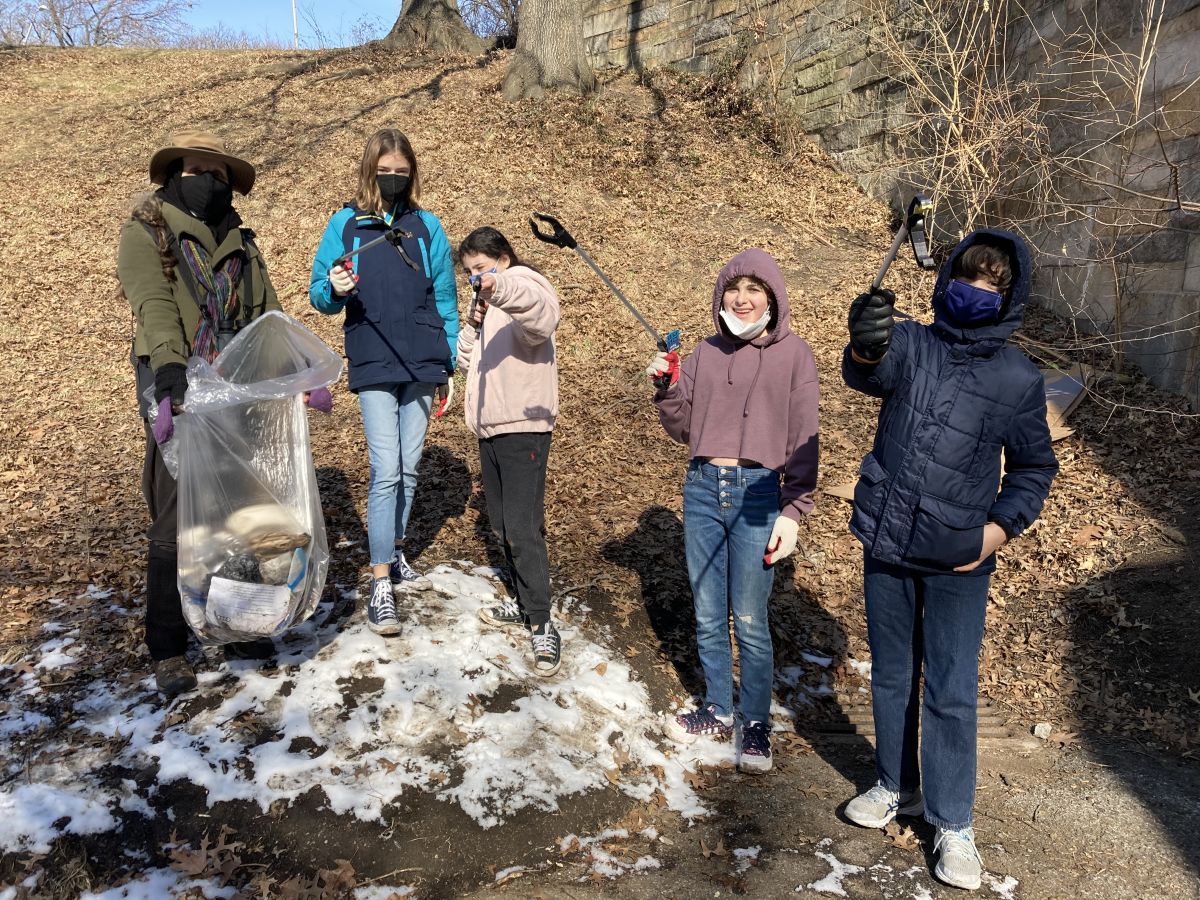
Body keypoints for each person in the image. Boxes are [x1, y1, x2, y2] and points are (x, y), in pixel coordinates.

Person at [841, 230, 1058, 890]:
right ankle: (893, 785)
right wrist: (865, 338)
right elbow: (866, 371)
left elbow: (1033, 468)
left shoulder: (1019, 379)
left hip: (961, 558)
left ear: (1010, 296)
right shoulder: (913, 344)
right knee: (891, 676)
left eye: (993, 283)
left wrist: (993, 534)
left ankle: (953, 821)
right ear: (947, 282)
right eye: (969, 277)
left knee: (951, 692)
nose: (977, 290)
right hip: (887, 541)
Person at [118, 129, 282, 696]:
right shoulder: (148, 233)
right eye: (197, 171)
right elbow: (154, 304)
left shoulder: (242, 240)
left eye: (217, 175)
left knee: (235, 507)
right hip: (177, 387)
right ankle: (166, 643)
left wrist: (292, 368)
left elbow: (267, 314)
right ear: (173, 174)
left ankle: (238, 623)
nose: (208, 183)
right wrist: (169, 371)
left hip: (235, 390)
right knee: (175, 513)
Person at [649, 248, 819, 773]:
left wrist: (794, 510)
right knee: (706, 611)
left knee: (748, 615)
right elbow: (683, 428)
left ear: (773, 298)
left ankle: (755, 721)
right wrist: (667, 386)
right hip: (702, 487)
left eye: (754, 290)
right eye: (733, 289)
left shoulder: (795, 355)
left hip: (759, 493)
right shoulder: (703, 352)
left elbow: (804, 437)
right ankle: (719, 707)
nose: (742, 300)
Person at [309, 129, 459, 637]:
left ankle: (393, 551)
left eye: (403, 172)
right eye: (386, 171)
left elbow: (445, 297)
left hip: (422, 360)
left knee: (411, 467)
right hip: (373, 357)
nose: (394, 179)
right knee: (386, 468)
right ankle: (379, 583)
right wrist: (335, 287)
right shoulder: (346, 224)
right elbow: (319, 293)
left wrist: (449, 362)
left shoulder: (427, 226)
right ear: (371, 169)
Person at [457, 227, 563, 676]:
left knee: (522, 528)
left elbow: (541, 318)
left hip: (524, 425)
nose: (475, 277)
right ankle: (524, 605)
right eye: (469, 272)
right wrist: (472, 322)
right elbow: (465, 360)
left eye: (480, 267)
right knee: (501, 526)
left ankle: (542, 623)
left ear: (503, 258)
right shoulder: (486, 303)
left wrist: (499, 285)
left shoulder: (526, 284)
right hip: (491, 428)